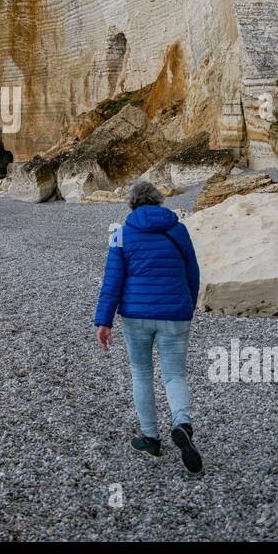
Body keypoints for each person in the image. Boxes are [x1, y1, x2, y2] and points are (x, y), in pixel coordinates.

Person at [94, 178, 203, 473]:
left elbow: (112, 280)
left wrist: (103, 321)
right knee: (174, 375)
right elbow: (192, 272)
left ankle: (151, 439)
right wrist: (187, 306)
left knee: (141, 375)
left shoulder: (121, 233)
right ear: (158, 201)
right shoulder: (178, 230)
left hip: (136, 316)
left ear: (132, 204)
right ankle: (182, 424)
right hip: (175, 315)